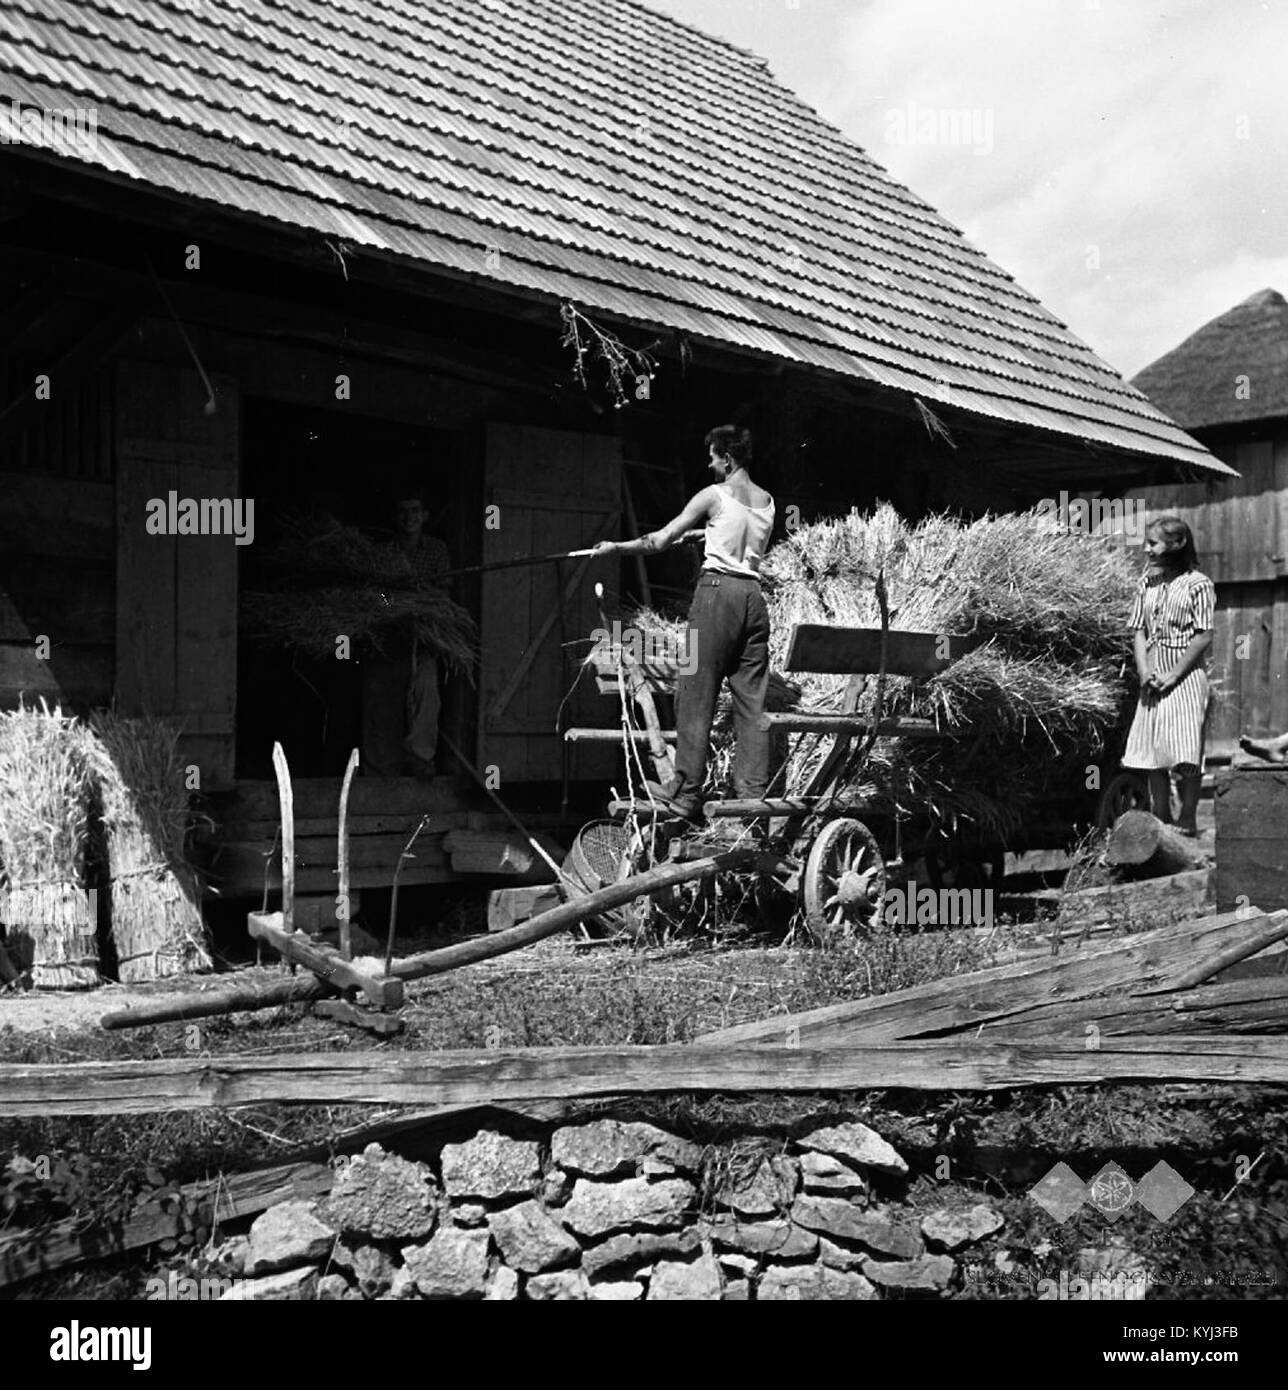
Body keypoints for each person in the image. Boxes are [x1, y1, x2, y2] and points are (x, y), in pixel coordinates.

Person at [593, 425, 774, 820]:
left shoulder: (713, 495)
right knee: (750, 699)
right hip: (754, 600)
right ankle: (752, 796)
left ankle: (686, 790)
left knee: (694, 688)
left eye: (712, 456)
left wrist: (616, 548)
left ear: (727, 458)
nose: (709, 463)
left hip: (716, 596)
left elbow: (658, 541)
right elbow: (737, 535)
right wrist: (705, 534)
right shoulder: (768, 502)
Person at [1122, 516, 1215, 836]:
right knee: (1153, 750)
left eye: (1153, 543)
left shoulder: (1198, 584)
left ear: (1177, 545)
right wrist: (1144, 670)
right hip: (1152, 675)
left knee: (1186, 750)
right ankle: (1161, 817)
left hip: (1184, 675)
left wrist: (1174, 675)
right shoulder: (1146, 583)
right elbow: (1138, 630)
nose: (1146, 548)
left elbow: (1203, 636)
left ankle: (1188, 819)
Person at [360, 492, 451, 777]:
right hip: (388, 636)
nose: (409, 517)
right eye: (403, 511)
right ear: (395, 517)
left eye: (415, 511)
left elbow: (443, 592)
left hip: (424, 636)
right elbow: (379, 594)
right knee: (382, 702)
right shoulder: (383, 553)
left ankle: (420, 761)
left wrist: (416, 603)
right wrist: (395, 606)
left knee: (426, 697)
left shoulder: (437, 550)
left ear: (425, 516)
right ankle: (381, 770)